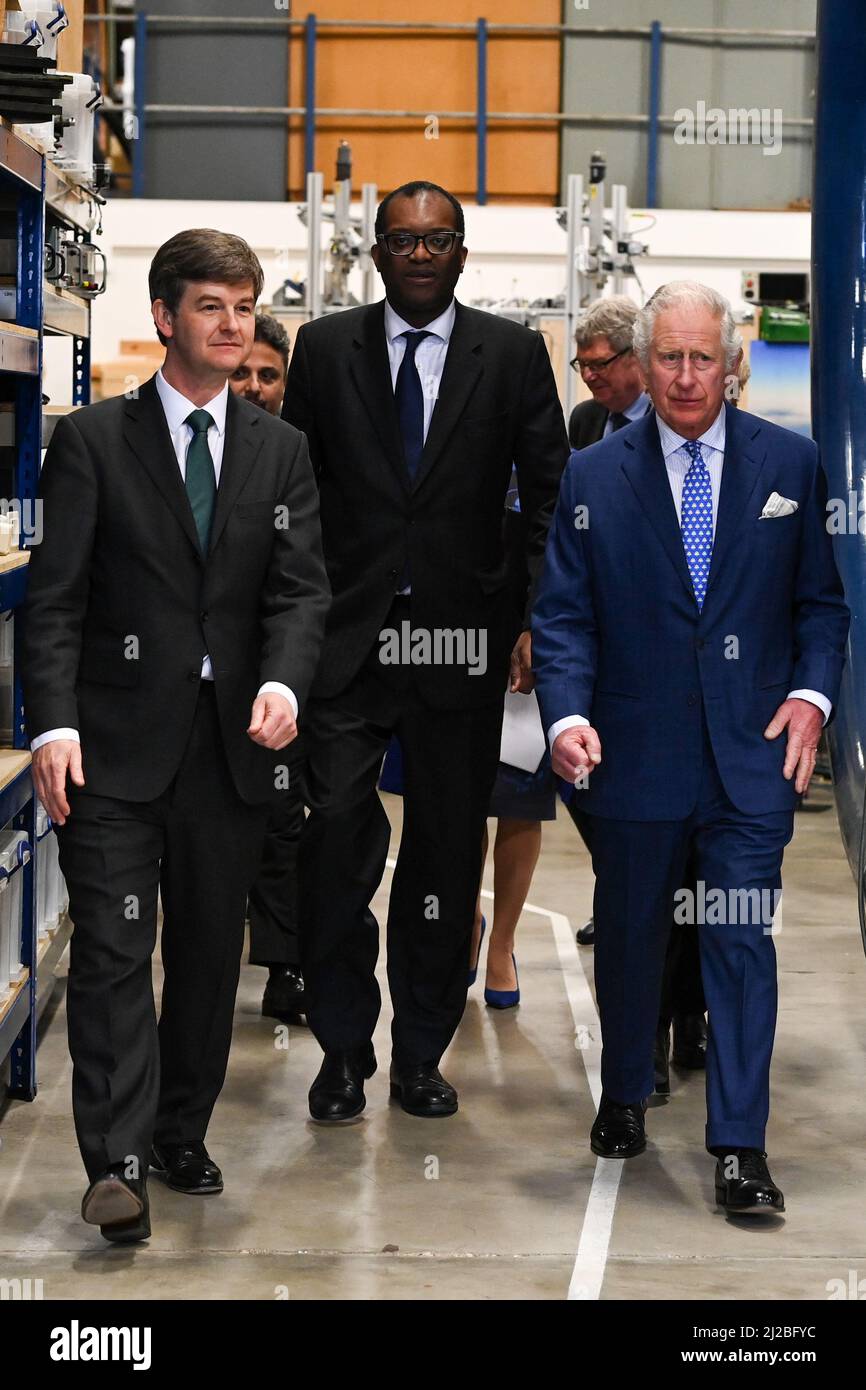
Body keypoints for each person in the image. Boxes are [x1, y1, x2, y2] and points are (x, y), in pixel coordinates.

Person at [23, 231, 330, 1243]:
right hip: (113, 743)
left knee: (205, 951)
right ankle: (113, 1164)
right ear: (164, 318)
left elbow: (299, 593)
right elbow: (54, 601)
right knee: (113, 950)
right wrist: (54, 722)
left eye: (243, 307)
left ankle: (178, 1130)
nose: (233, 325)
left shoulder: (279, 452)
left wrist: (286, 679)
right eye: (211, 305)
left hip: (230, 750)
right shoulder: (94, 443)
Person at [533, 280, 848, 1216]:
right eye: (665, 357)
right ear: (642, 360)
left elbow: (820, 607)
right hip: (633, 755)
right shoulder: (594, 475)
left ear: (731, 361)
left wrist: (810, 696)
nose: (682, 376)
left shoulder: (790, 464)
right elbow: (562, 615)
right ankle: (625, 1089)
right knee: (633, 934)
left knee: (740, 939)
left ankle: (741, 1147)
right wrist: (565, 716)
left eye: (699, 357)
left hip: (752, 759)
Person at [283, 179, 569, 1123]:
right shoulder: (324, 351)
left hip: (462, 644)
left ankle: (418, 1055)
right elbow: (297, 495)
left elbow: (548, 503)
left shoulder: (516, 354)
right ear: (375, 252)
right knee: (333, 848)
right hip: (346, 644)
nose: (418, 254)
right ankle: (340, 1050)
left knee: (445, 857)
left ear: (460, 251)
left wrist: (528, 617)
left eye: (436, 239)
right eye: (401, 240)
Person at [230, 312, 308, 1024]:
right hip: (204, 671)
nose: (254, 387)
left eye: (268, 375)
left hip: (283, 668)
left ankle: (285, 966)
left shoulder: (297, 454)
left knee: (284, 819)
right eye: (243, 372)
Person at [567, 296, 651, 452]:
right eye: (582, 364)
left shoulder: (668, 421)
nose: (587, 376)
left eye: (598, 364)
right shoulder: (584, 418)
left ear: (637, 354)